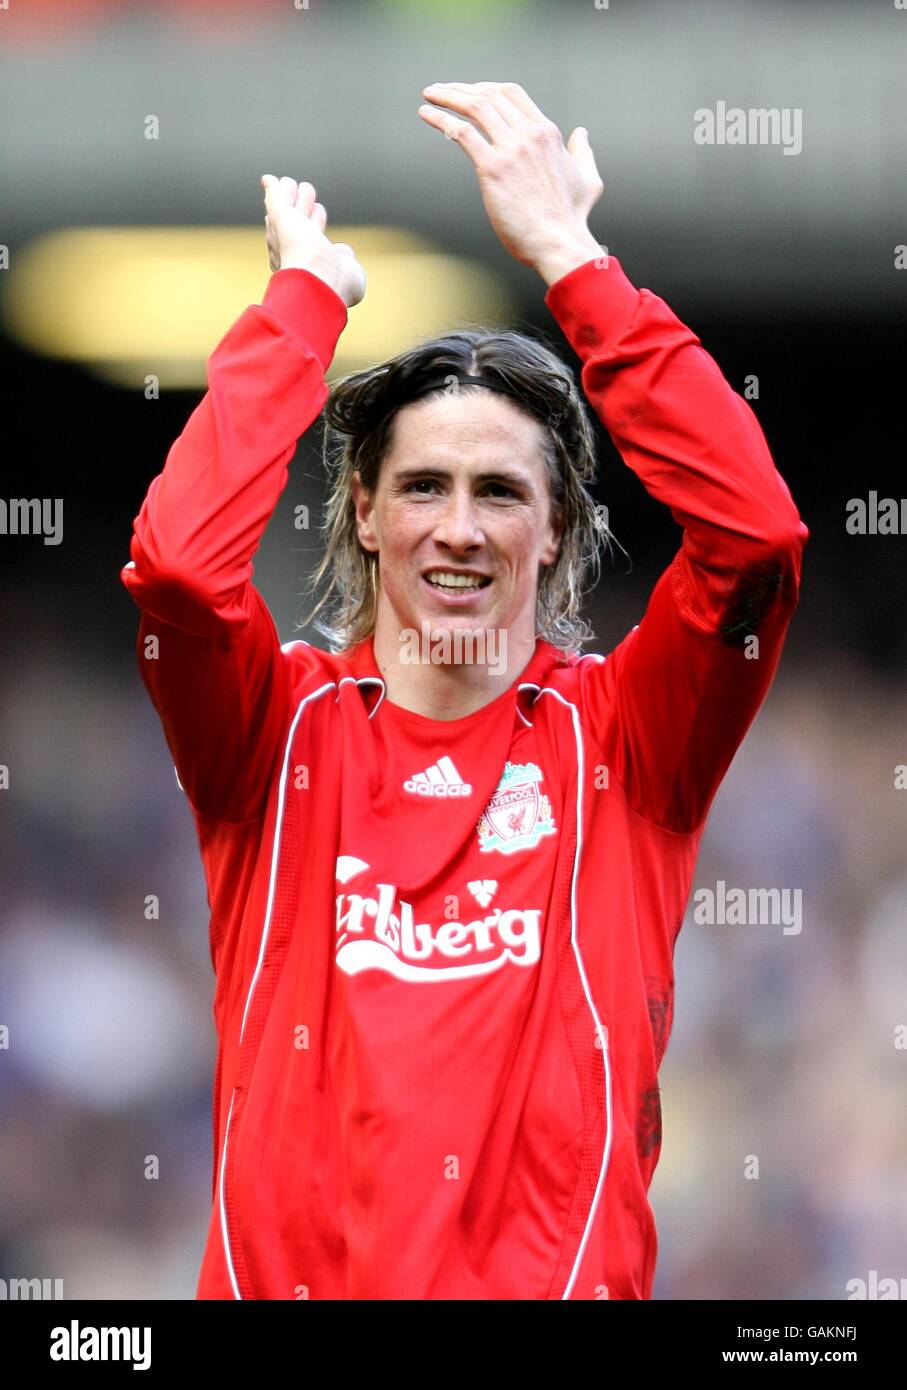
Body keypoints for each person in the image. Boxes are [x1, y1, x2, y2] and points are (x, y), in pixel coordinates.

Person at [121, 81, 807, 1300]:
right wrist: (302, 308)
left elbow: (751, 539)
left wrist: (570, 258)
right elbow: (178, 567)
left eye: (500, 492)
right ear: (367, 518)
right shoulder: (270, 736)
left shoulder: (629, 741)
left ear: (553, 534)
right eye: (423, 486)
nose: (458, 526)